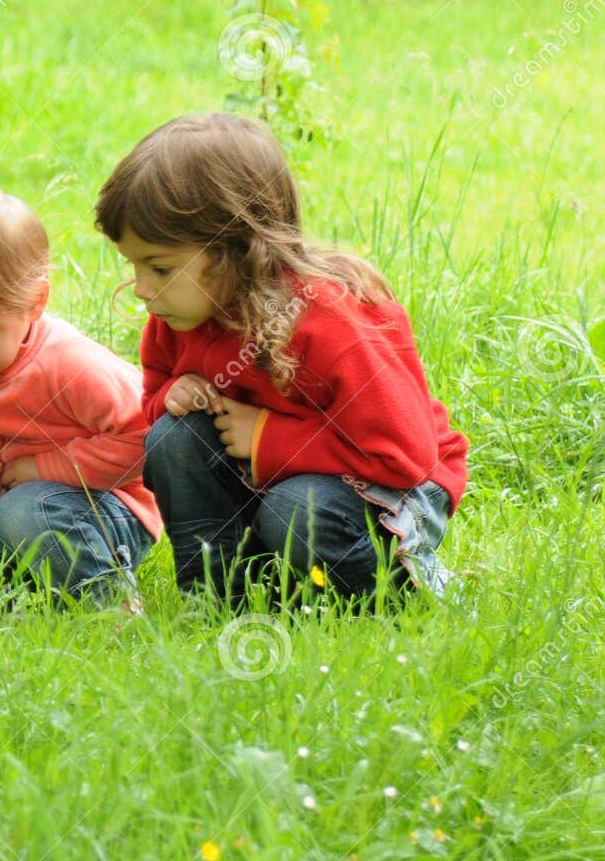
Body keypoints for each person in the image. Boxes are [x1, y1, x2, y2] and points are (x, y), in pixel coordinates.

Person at [95, 112, 467, 602]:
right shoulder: (181, 313)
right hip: (277, 478)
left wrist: (268, 438)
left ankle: (402, 590)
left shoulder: (328, 320)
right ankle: (216, 596)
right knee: (174, 438)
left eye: (160, 268)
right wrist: (171, 395)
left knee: (296, 510)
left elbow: (402, 457)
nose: (142, 289)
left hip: (392, 489)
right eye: (135, 265)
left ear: (234, 250)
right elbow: (154, 399)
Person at [0, 186, 160, 605]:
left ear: (35, 303)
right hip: (3, 509)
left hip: (98, 511)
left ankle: (109, 602)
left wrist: (44, 468)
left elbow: (145, 437)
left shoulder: (70, 366)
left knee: (25, 509)